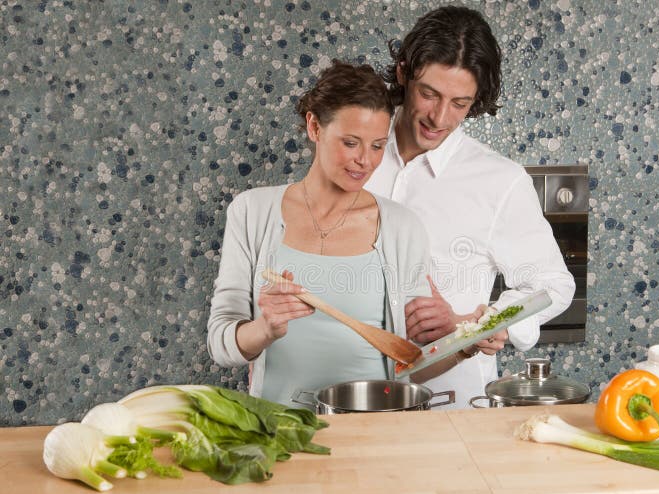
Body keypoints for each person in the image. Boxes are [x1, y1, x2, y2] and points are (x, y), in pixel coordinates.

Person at [364, 6, 576, 408]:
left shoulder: (500, 181)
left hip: (451, 404)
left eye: (459, 103)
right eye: (429, 94)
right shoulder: (355, 150)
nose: (439, 117)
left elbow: (554, 286)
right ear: (404, 71)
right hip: (350, 394)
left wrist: (476, 324)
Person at [207, 61, 431, 406]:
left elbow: (411, 358)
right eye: (351, 142)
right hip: (278, 424)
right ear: (314, 126)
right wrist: (266, 328)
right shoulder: (251, 212)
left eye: (376, 146)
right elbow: (221, 344)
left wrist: (465, 347)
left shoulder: (403, 227)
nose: (365, 161)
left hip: (375, 426)